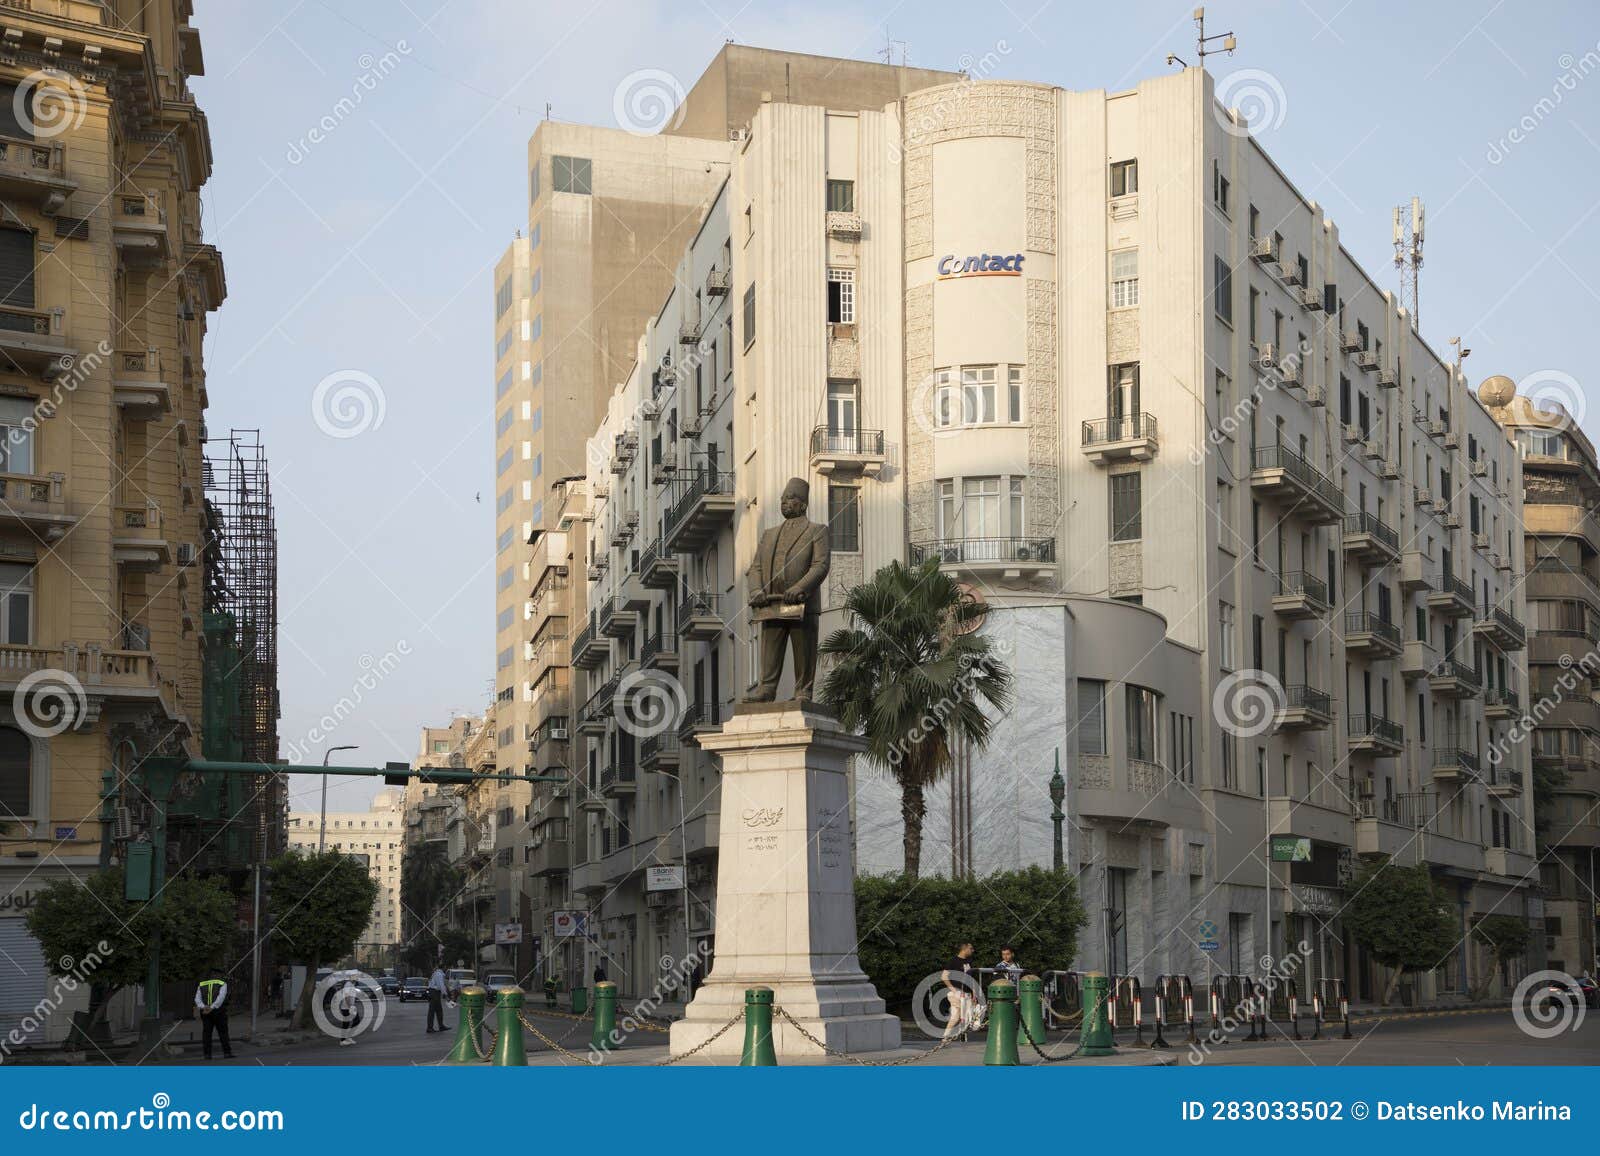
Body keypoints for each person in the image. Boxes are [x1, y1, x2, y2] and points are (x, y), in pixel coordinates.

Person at [194, 971, 234, 1060]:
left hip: (205, 1011)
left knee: (207, 1033)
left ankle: (207, 1055)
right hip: (218, 1011)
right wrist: (212, 1007)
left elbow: (197, 999)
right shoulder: (222, 982)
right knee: (223, 1032)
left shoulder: (202, 983)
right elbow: (221, 997)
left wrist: (204, 1007)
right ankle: (227, 1053)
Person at [941, 942, 977, 1041]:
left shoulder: (969, 961)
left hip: (967, 993)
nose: (972, 950)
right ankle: (949, 1036)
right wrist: (953, 990)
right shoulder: (953, 961)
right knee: (959, 1015)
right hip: (957, 993)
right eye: (971, 948)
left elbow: (971, 979)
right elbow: (944, 976)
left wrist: (974, 992)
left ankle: (950, 1036)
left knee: (963, 1016)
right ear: (964, 949)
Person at [426, 963, 447, 1033]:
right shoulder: (439, 974)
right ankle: (430, 1028)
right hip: (435, 992)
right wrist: (445, 993)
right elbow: (441, 985)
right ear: (443, 968)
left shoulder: (435, 973)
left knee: (439, 1010)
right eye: (445, 967)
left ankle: (441, 1026)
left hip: (433, 992)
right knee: (432, 1011)